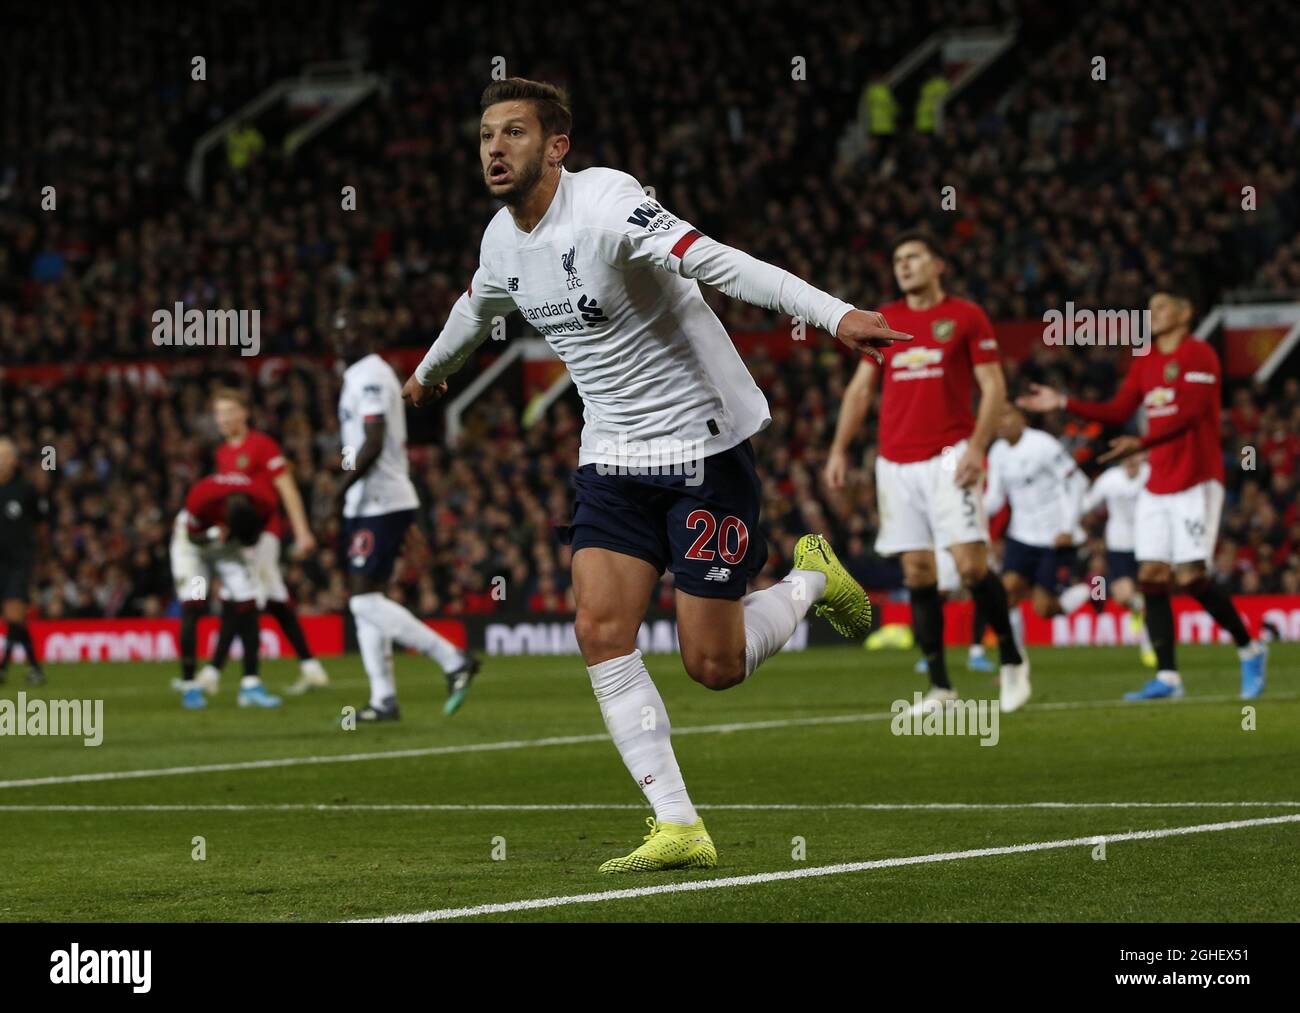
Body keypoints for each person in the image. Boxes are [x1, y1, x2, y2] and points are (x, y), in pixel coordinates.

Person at [403, 78, 908, 873]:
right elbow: (476, 306)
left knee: (714, 665)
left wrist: (833, 311)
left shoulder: (609, 203)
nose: (494, 149)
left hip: (701, 446)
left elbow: (717, 261)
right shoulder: (501, 239)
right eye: (486, 136)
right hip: (611, 454)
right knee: (600, 628)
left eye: (514, 133)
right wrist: (430, 372)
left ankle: (810, 578)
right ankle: (678, 823)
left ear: (556, 146)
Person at [1018, 289, 1267, 699]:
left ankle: (1250, 648)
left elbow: (1189, 415)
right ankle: (1168, 678)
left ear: (1185, 313)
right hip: (1157, 482)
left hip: (1196, 480)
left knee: (1190, 577)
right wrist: (1063, 401)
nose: (1153, 313)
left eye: (1163, 306)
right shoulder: (1146, 360)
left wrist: (1141, 443)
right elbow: (1118, 411)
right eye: (1150, 308)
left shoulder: (1199, 354)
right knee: (1151, 577)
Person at [824, 230, 1028, 714]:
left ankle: (1013, 660)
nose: (904, 265)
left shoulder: (965, 316)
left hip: (949, 456)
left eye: (914, 256)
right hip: (894, 462)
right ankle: (940, 686)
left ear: (938, 265)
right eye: (898, 259)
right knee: (918, 572)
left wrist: (978, 448)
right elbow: (859, 390)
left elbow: (993, 386)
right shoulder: (884, 319)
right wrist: (838, 449)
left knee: (971, 564)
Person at [334, 308, 479, 721]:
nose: (342, 339)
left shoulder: (370, 374)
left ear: (366, 335)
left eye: (350, 330)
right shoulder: (357, 375)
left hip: (382, 499)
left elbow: (375, 439)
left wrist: (338, 488)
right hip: (368, 501)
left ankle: (453, 659)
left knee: (362, 601)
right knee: (367, 597)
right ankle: (383, 699)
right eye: (337, 332)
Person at [199, 388, 330, 695]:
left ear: (245, 413)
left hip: (266, 532)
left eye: (230, 412)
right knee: (274, 598)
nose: (225, 419)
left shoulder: (262, 445)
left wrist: (302, 531)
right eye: (220, 414)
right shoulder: (222, 453)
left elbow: (286, 488)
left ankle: (239, 677)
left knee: (243, 598)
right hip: (239, 538)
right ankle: (311, 666)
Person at [984, 403, 1093, 650]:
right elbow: (995, 498)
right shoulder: (997, 452)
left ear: (1021, 418)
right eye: (997, 417)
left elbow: (1076, 483)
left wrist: (1068, 526)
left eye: (1006, 415)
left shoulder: (1043, 445)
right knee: (1006, 592)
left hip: (1054, 535)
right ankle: (1015, 662)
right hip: (1021, 535)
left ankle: (1084, 592)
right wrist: (970, 513)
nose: (1001, 422)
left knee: (1043, 609)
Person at [170, 472, 282, 709]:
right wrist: (214, 534)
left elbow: (253, 538)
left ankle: (251, 684)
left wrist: (235, 536)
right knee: (195, 604)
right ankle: (190, 685)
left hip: (229, 546)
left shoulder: (264, 500)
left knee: (248, 602)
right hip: (196, 547)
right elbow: (193, 537)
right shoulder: (202, 499)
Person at [1080, 452, 1156, 666]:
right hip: (1119, 544)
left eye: (1134, 456)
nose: (1131, 459)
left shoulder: (1151, 475)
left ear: (1141, 458)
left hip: (1148, 542)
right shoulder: (1109, 479)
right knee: (1124, 597)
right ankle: (1136, 608)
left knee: (1151, 593)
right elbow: (1088, 504)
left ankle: (1149, 645)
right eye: (1127, 456)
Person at [0, 438, 48, 686]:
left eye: (6, 456)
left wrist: (40, 556)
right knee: (14, 618)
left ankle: (5, 667)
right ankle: (34, 668)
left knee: (13, 612)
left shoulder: (25, 490)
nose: (3, 461)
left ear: (14, 461)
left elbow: (41, 526)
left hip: (19, 561)